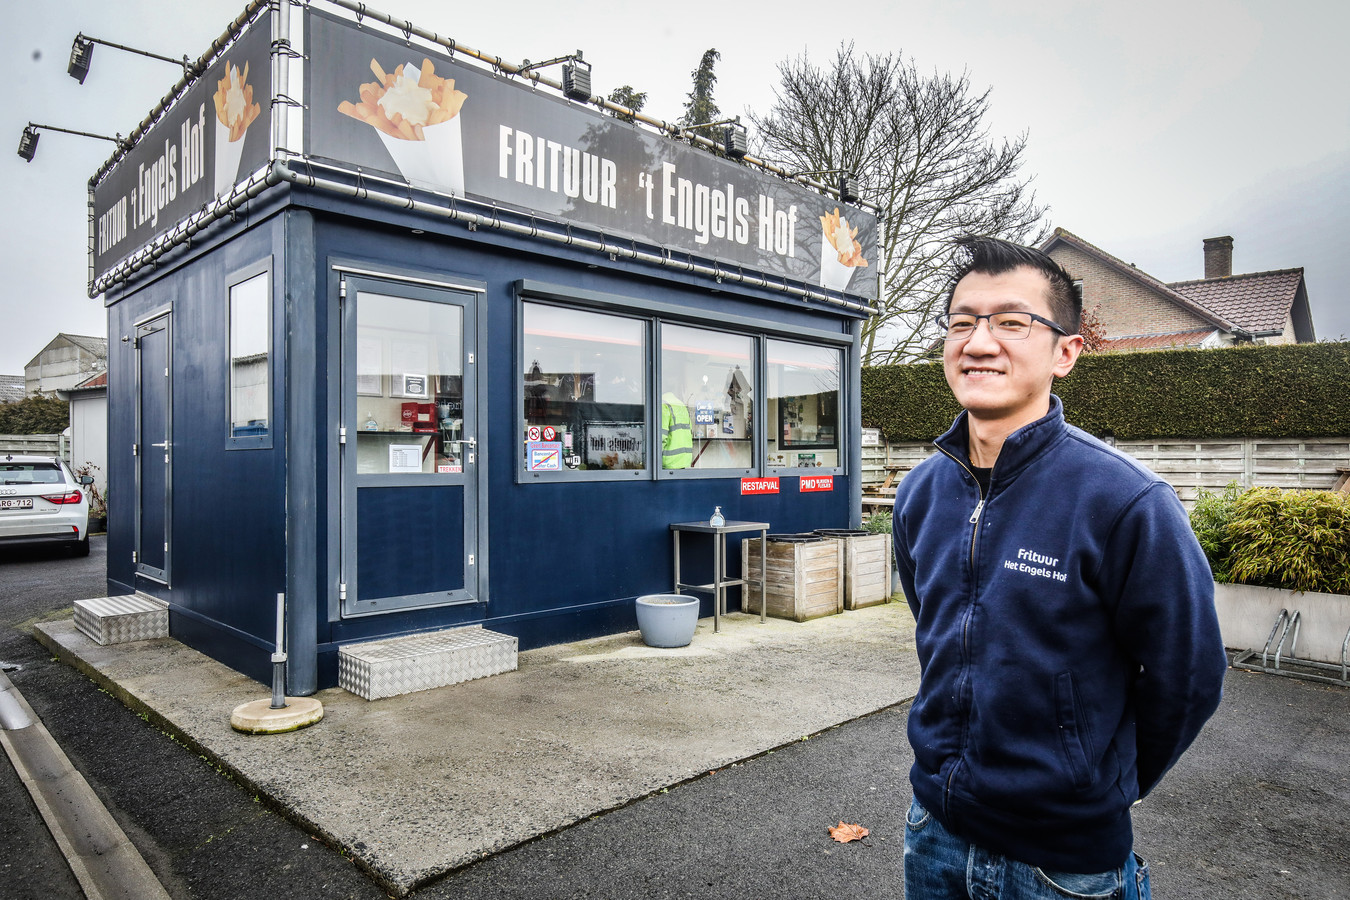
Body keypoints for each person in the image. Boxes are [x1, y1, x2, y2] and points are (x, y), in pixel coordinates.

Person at [891, 236, 1227, 900]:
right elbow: (933, 625)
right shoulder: (920, 493)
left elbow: (1187, 679)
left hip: (1063, 869)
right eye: (962, 322)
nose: (978, 342)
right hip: (934, 834)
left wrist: (1095, 785)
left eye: (1012, 323)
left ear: (1066, 352)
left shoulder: (1126, 502)